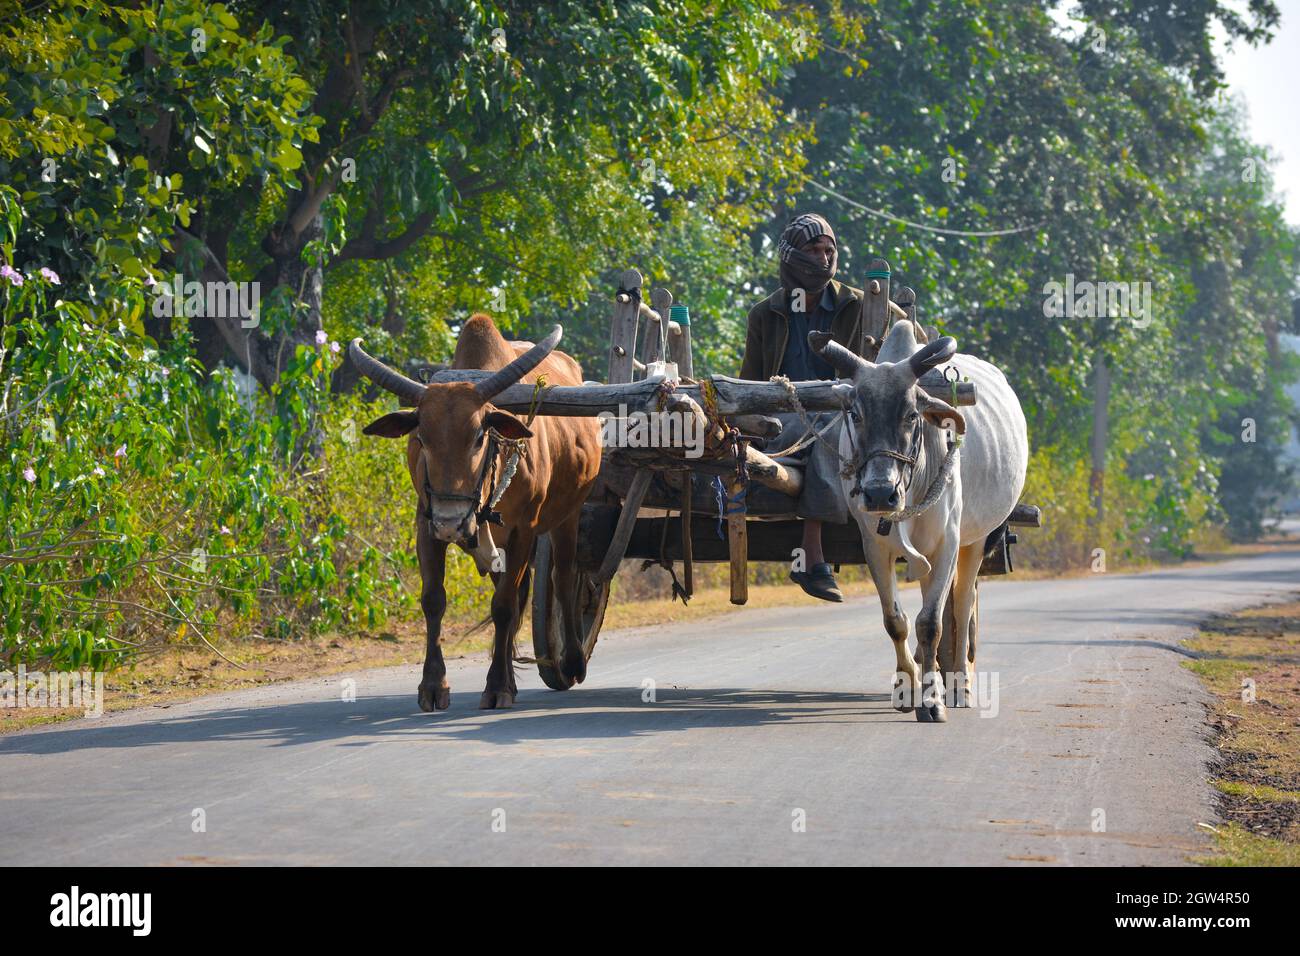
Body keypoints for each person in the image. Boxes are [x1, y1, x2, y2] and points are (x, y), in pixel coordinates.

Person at [738, 213, 868, 602]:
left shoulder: (857, 306)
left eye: (829, 250)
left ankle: (811, 551)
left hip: (847, 420)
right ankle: (810, 557)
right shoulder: (766, 313)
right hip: (782, 421)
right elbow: (751, 382)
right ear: (791, 256)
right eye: (813, 250)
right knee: (811, 431)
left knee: (828, 427)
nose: (824, 258)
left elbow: (901, 339)